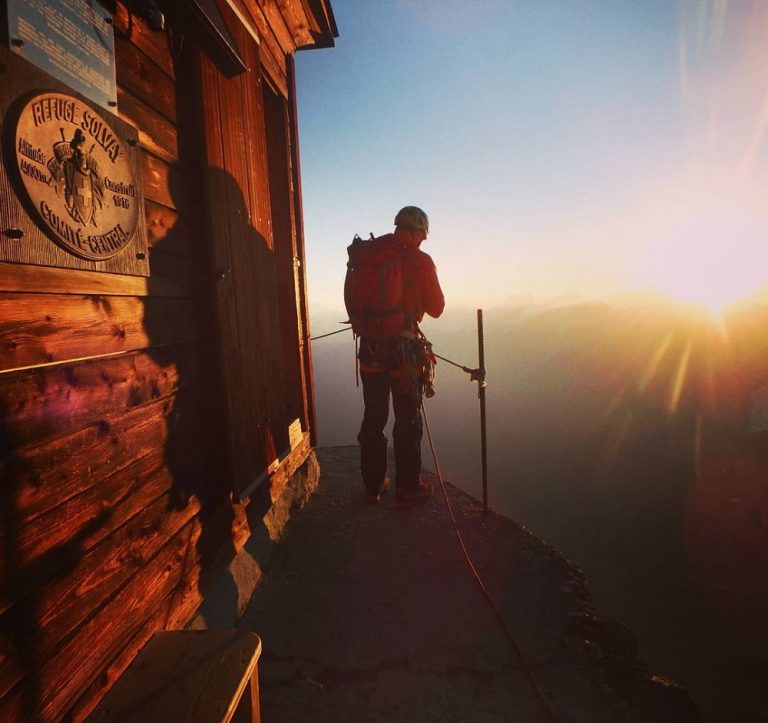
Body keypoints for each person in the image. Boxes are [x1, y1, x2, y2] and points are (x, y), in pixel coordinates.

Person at [357, 206, 445, 509]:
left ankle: (373, 485)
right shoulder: (420, 261)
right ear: (419, 232)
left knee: (374, 416)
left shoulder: (370, 253)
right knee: (407, 419)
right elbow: (436, 308)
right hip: (403, 353)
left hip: (370, 347)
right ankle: (408, 487)